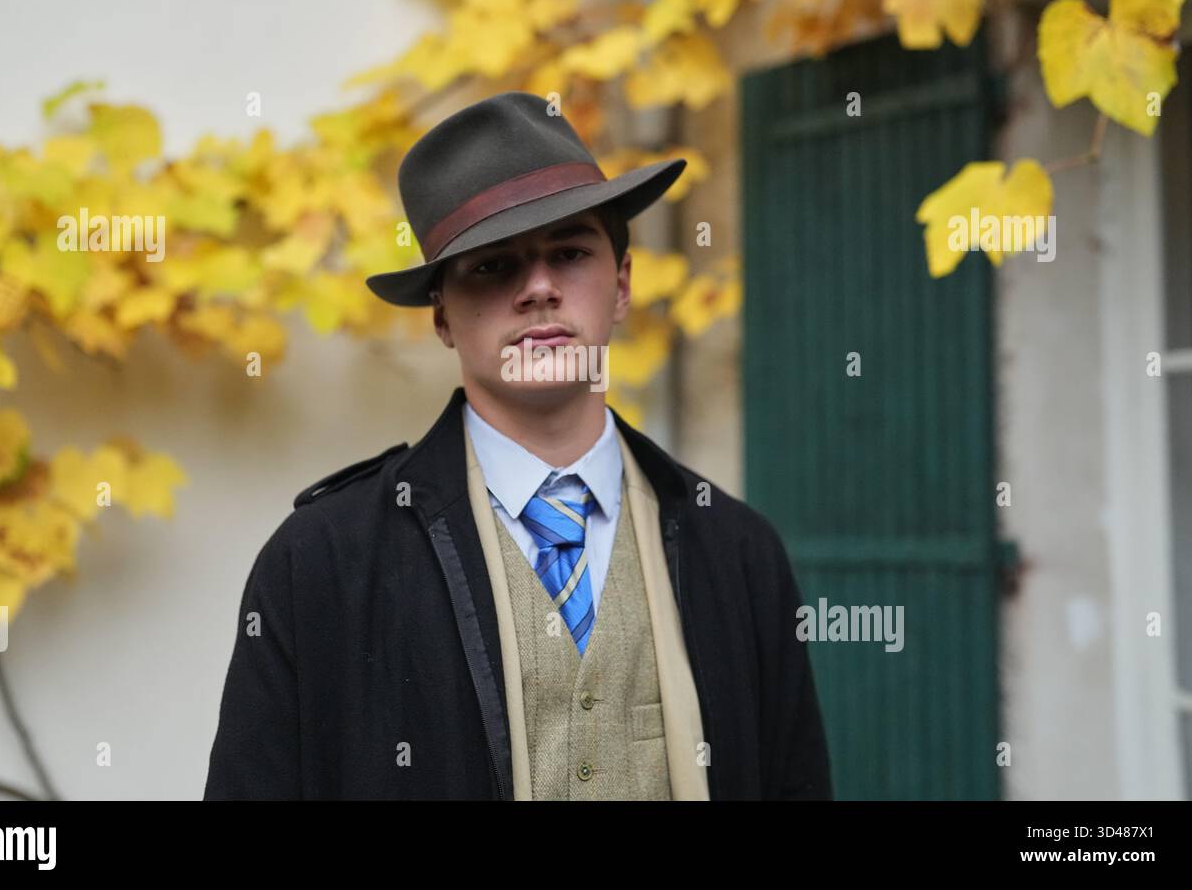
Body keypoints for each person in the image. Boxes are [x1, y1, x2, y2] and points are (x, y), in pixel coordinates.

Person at [203, 90, 831, 800]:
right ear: (441, 316)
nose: (538, 288)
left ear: (621, 285)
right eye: (493, 265)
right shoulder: (320, 564)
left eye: (568, 253)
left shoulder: (739, 553)